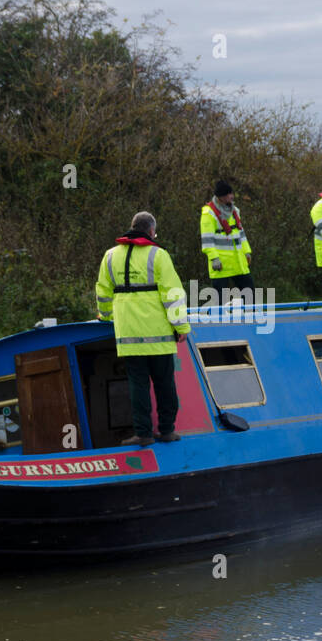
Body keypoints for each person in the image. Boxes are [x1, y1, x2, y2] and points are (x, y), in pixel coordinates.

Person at [95, 212, 191, 446]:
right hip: (158, 334)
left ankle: (143, 434)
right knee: (164, 384)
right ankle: (167, 430)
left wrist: (105, 316)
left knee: (137, 386)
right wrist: (181, 326)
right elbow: (173, 294)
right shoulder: (159, 255)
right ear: (151, 231)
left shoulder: (109, 257)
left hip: (128, 335)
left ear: (131, 227)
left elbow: (102, 292)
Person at [200, 180, 254, 298]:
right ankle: (219, 316)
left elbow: (241, 233)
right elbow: (207, 240)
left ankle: (250, 316)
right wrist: (214, 258)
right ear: (221, 197)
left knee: (250, 294)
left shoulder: (235, 211)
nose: (232, 196)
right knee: (220, 301)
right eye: (229, 194)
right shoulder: (208, 213)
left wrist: (247, 252)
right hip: (221, 264)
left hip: (238, 261)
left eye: (231, 193)